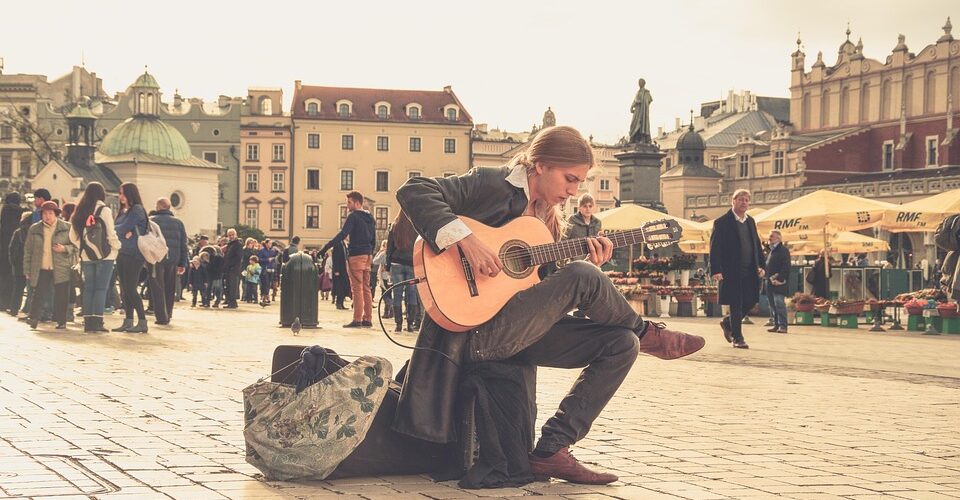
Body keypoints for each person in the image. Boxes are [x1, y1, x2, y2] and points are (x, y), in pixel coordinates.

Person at [395, 125, 704, 484]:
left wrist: (590, 266)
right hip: (474, 334)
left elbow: (540, 291)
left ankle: (552, 450)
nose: (574, 191)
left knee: (621, 344)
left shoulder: (548, 222)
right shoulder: (491, 183)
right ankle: (650, 333)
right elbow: (413, 190)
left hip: (516, 331)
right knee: (581, 275)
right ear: (539, 166)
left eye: (579, 183)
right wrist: (468, 241)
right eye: (570, 179)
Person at [710, 188, 764, 349]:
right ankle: (738, 338)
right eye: (740, 200)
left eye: (746, 200)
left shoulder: (750, 221)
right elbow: (715, 247)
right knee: (736, 303)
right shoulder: (722, 222)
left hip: (750, 270)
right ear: (733, 201)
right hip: (731, 271)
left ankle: (728, 323)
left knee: (751, 300)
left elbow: (756, 245)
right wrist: (716, 270)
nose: (744, 203)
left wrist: (761, 265)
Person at [68, 182, 122, 333]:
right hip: (105, 256)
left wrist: (84, 245)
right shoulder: (103, 210)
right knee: (101, 289)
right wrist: (117, 247)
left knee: (89, 288)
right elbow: (111, 233)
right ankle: (97, 322)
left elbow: (72, 236)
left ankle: (88, 322)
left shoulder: (79, 210)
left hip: (86, 256)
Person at [319, 191, 376, 328]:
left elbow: (343, 234)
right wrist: (370, 253)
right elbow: (374, 239)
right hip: (367, 255)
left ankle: (357, 319)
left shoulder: (353, 216)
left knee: (357, 288)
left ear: (357, 203)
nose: (347, 206)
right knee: (366, 288)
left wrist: (325, 247)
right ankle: (367, 319)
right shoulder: (370, 218)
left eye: (349, 203)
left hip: (356, 255)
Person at [23, 201, 76, 329]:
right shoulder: (34, 229)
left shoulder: (67, 227)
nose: (47, 216)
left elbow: (75, 247)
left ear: (56, 214)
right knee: (38, 293)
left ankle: (61, 321)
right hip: (42, 266)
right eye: (45, 213)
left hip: (61, 267)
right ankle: (34, 318)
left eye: (50, 213)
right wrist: (27, 269)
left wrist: (64, 248)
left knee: (61, 295)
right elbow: (28, 250)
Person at [113, 182, 149, 333]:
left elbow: (121, 228)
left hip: (134, 254)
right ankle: (128, 321)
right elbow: (119, 229)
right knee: (124, 289)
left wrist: (123, 232)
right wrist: (122, 232)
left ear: (130, 194)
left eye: (123, 193)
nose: (120, 197)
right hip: (122, 252)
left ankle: (142, 321)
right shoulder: (124, 211)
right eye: (120, 193)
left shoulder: (137, 210)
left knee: (131, 288)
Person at [147, 198, 188, 325]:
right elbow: (183, 245)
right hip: (172, 259)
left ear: (158, 207)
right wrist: (183, 263)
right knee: (170, 288)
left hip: (156, 258)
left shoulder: (151, 221)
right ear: (169, 207)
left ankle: (161, 316)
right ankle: (168, 313)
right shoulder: (178, 223)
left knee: (157, 287)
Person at [565, 193, 602, 317]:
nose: (588, 209)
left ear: (594, 207)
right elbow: (564, 239)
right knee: (577, 289)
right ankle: (577, 314)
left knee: (591, 288)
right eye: (585, 206)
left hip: (592, 261)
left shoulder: (597, 222)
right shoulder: (571, 220)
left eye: (590, 206)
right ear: (579, 207)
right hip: (574, 261)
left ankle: (588, 314)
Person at [386, 211, 421, 332]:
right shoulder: (417, 224)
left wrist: (387, 264)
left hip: (396, 263)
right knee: (412, 294)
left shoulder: (395, 225)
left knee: (397, 294)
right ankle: (410, 324)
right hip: (412, 264)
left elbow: (389, 246)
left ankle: (398, 324)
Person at [0, 193, 26, 312]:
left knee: (3, 276)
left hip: (2, 248)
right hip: (16, 250)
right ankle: (9, 303)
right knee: (12, 278)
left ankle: (2, 303)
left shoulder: (4, 211)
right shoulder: (20, 213)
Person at [763, 230, 791, 334]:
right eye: (769, 236)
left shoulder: (783, 250)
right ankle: (776, 324)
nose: (769, 238)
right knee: (772, 305)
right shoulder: (771, 251)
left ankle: (783, 326)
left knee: (779, 303)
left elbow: (786, 267)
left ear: (778, 238)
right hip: (769, 282)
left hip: (779, 283)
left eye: (771, 236)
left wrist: (779, 279)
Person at [8, 212, 32, 316]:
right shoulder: (34, 230)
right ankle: (28, 309)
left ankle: (14, 309)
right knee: (31, 288)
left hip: (18, 264)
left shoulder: (18, 232)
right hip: (31, 263)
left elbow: (12, 249)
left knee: (18, 288)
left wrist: (12, 262)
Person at [222, 228, 243, 309]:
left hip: (233, 269)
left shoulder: (238, 244)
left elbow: (238, 257)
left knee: (232, 286)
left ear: (236, 235)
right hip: (228, 269)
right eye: (229, 235)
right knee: (228, 286)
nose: (231, 236)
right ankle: (230, 302)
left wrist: (231, 265)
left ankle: (233, 303)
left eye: (232, 235)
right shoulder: (230, 244)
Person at [372, 240, 392, 318]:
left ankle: (388, 311)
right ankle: (390, 312)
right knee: (389, 294)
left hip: (384, 276)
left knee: (384, 295)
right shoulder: (392, 253)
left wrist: (379, 252)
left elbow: (375, 261)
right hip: (391, 277)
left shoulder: (383, 254)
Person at [257, 239, 278, 305]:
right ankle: (265, 297)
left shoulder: (272, 251)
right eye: (269, 243)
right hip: (264, 269)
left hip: (271, 269)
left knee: (268, 284)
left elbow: (276, 256)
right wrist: (267, 260)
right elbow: (259, 259)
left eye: (271, 244)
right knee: (265, 283)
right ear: (266, 244)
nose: (270, 245)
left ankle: (265, 296)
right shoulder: (262, 251)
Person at [330, 240, 350, 309]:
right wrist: (336, 270)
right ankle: (338, 303)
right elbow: (335, 257)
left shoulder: (344, 245)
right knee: (339, 288)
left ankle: (341, 303)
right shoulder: (338, 244)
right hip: (339, 270)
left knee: (343, 287)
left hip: (344, 270)